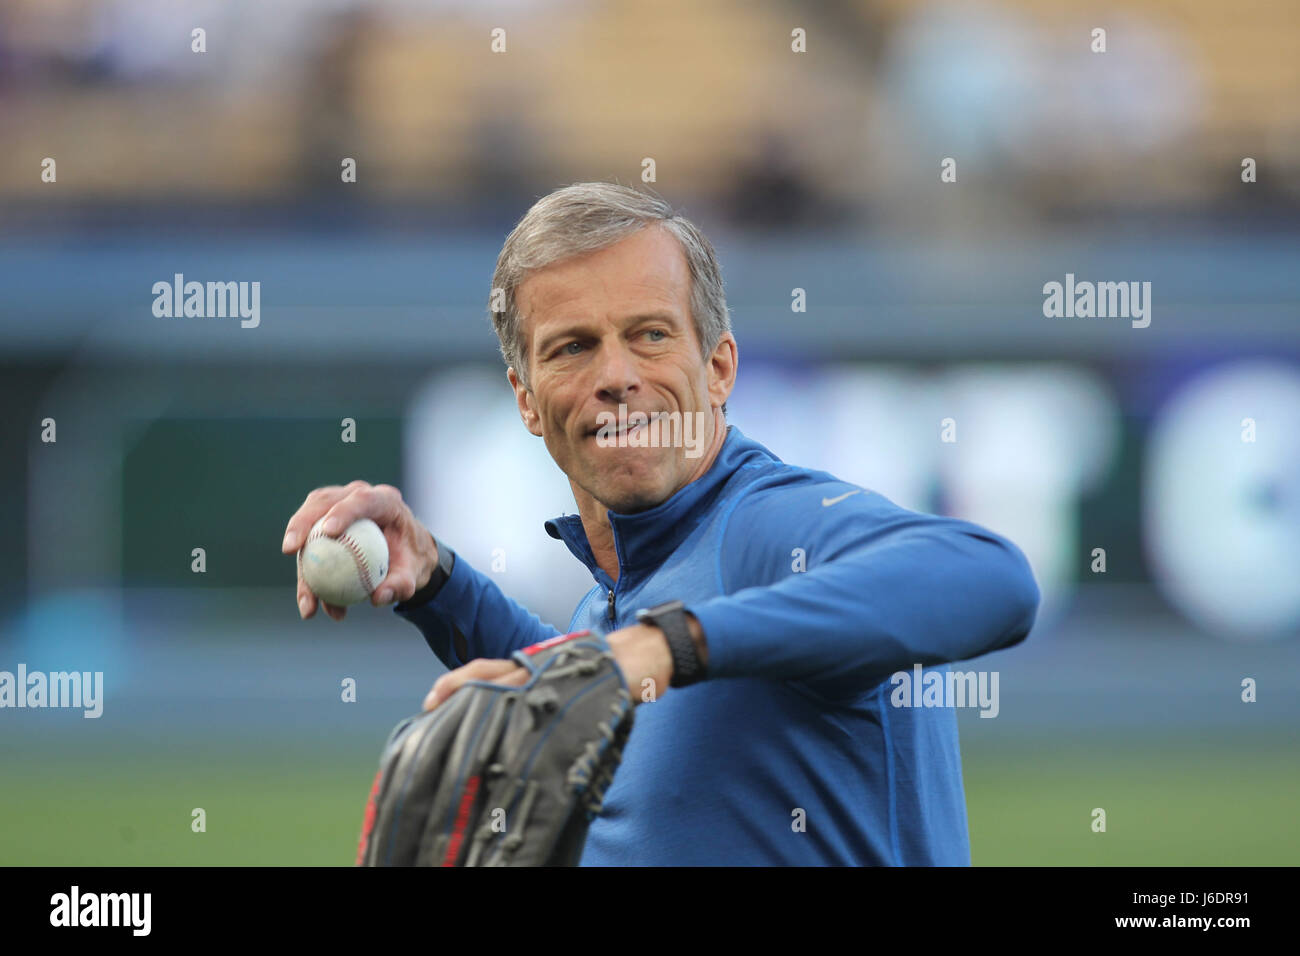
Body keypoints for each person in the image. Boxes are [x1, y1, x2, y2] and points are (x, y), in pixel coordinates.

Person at [281, 182, 1040, 865]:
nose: (616, 376)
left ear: (718, 368)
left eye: (650, 335)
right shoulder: (623, 592)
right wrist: (440, 584)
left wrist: (663, 646)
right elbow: (594, 689)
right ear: (525, 396)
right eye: (573, 347)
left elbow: (993, 577)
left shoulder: (770, 527)